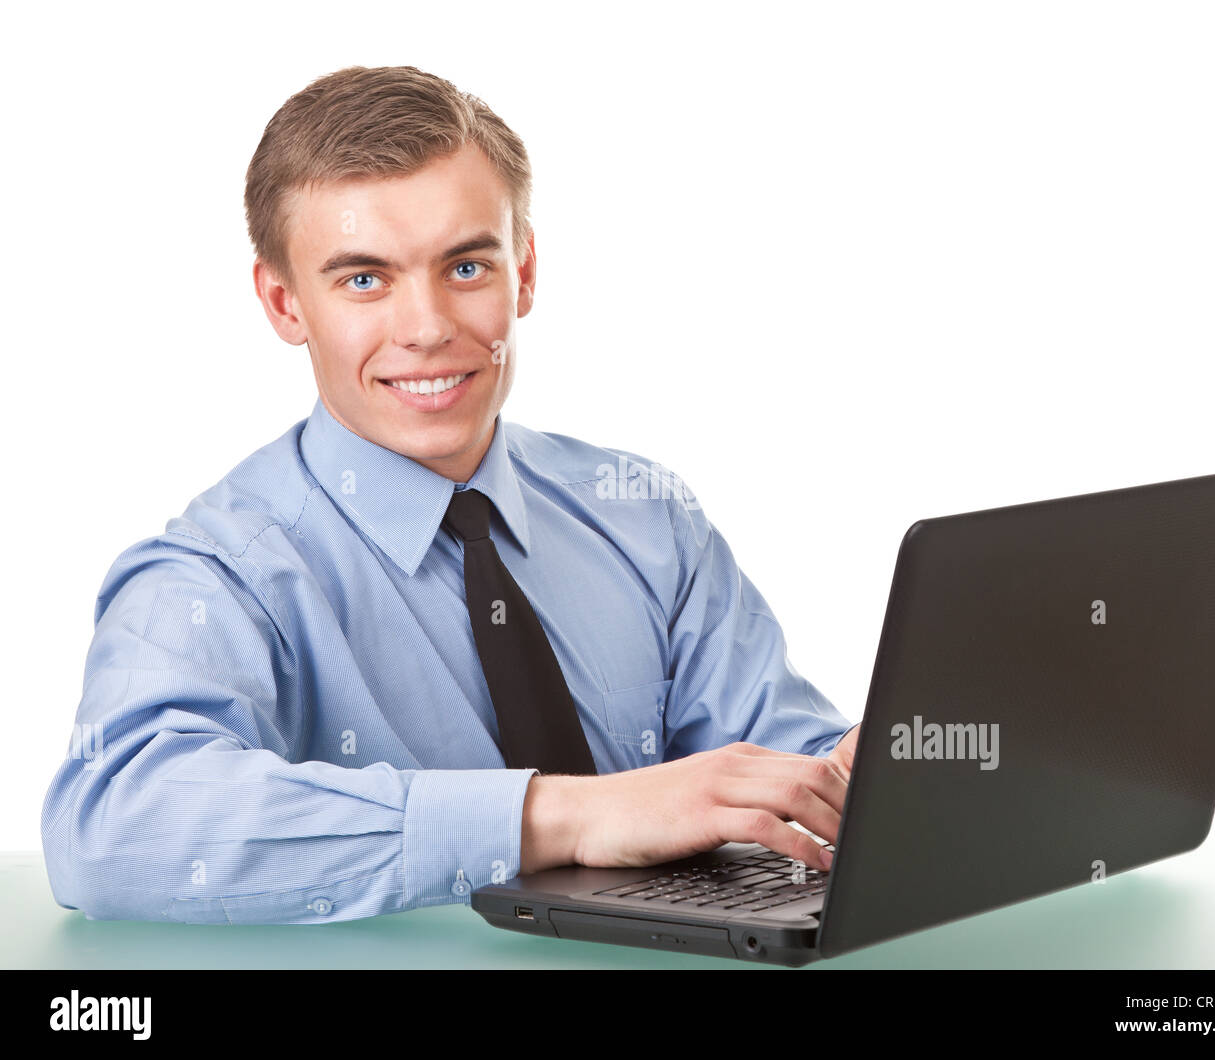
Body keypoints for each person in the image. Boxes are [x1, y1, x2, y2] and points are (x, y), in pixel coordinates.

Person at [41, 64, 860, 924]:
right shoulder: (219, 575)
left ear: (526, 271)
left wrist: (876, 772)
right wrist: (559, 817)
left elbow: (784, 765)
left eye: (467, 266)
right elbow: (112, 827)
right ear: (285, 303)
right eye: (364, 280)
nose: (428, 328)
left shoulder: (642, 514)